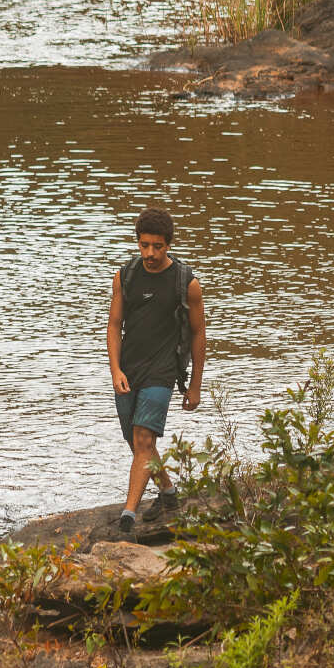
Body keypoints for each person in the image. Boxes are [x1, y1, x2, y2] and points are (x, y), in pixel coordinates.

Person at [107, 207, 206, 534]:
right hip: (129, 370)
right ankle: (168, 492)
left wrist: (195, 385)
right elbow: (114, 324)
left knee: (143, 437)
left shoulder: (187, 283)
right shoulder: (125, 276)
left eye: (157, 246)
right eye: (144, 245)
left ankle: (128, 515)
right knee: (138, 444)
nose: (150, 253)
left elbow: (197, 333)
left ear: (168, 245)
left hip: (162, 372)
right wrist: (115, 369)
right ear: (137, 243)